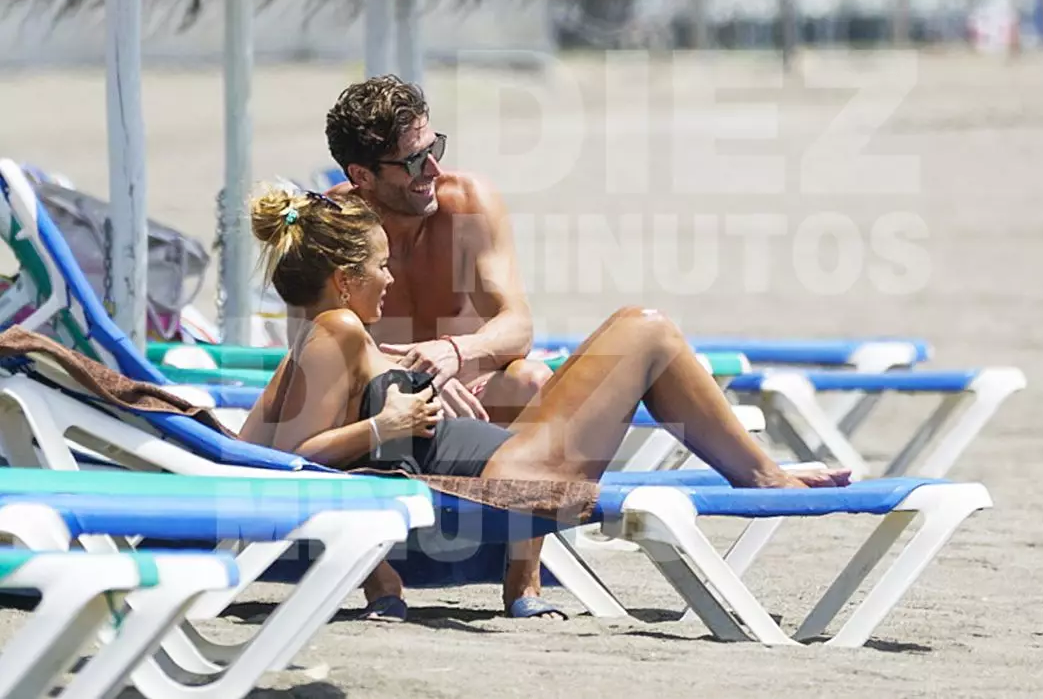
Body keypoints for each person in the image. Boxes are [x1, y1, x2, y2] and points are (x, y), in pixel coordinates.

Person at [238, 188, 851, 621]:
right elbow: (297, 464)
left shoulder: (318, 343)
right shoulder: (336, 330)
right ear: (345, 279)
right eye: (379, 266)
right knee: (645, 328)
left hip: (497, 485)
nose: (391, 278)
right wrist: (383, 425)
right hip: (505, 490)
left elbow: (249, 455)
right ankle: (764, 475)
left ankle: (759, 473)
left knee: (581, 358)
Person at [323, 75, 548, 428]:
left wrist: (453, 352)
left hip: (471, 390)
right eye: (414, 161)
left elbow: (519, 327)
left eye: (434, 148)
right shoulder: (335, 224)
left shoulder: (467, 204)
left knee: (532, 382)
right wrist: (410, 381)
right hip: (385, 397)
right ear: (362, 176)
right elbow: (317, 352)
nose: (434, 169)